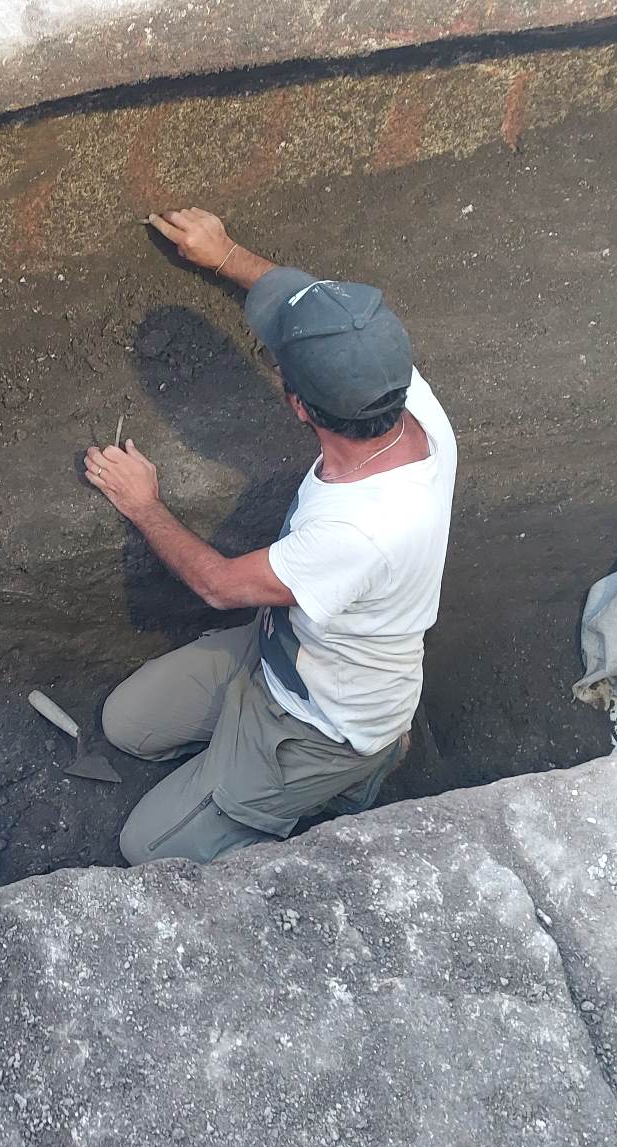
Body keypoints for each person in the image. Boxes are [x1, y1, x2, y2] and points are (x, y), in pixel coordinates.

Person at [84, 207, 457, 866]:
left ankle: (349, 781)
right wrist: (226, 254)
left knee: (142, 846)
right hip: (280, 653)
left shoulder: (358, 529)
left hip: (320, 722)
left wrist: (144, 504)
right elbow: (329, 317)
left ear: (299, 408)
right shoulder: (401, 397)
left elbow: (219, 585)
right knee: (126, 724)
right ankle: (310, 755)